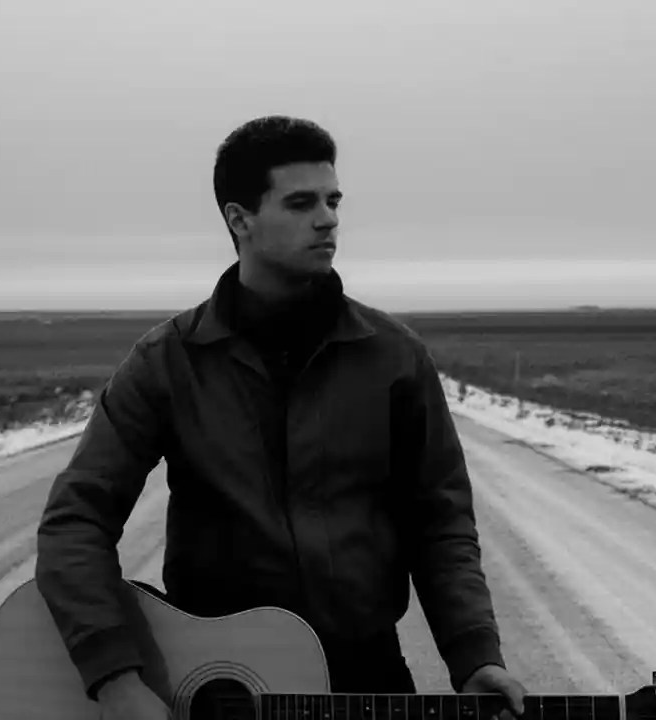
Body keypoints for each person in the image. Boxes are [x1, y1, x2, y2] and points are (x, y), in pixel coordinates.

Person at [33, 115, 527, 720]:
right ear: (239, 220)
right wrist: (115, 677)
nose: (328, 219)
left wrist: (475, 655)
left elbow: (441, 522)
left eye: (333, 200)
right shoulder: (168, 361)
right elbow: (74, 523)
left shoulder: (394, 357)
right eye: (301, 203)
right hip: (213, 691)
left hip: (366, 679)